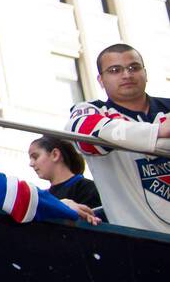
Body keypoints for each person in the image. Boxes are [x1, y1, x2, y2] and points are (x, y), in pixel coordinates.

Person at [66, 43, 170, 233]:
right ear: (101, 80)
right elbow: (84, 137)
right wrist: (160, 132)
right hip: (141, 243)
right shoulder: (92, 110)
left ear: (145, 73)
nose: (127, 75)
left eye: (134, 67)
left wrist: (123, 138)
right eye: (115, 70)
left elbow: (102, 133)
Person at [28, 136, 102, 211]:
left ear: (55, 155)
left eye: (35, 157)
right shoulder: (44, 195)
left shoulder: (87, 188)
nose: (31, 164)